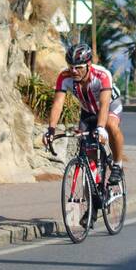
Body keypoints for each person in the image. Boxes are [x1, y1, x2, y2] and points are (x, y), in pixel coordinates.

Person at [44, 42, 124, 182]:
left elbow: (104, 104)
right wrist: (51, 129)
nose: (74, 71)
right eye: (71, 67)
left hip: (110, 106)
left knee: (111, 125)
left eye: (79, 68)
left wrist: (100, 128)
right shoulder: (64, 76)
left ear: (89, 64)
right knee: (88, 149)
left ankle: (117, 164)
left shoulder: (102, 75)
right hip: (88, 111)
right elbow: (58, 104)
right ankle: (96, 184)